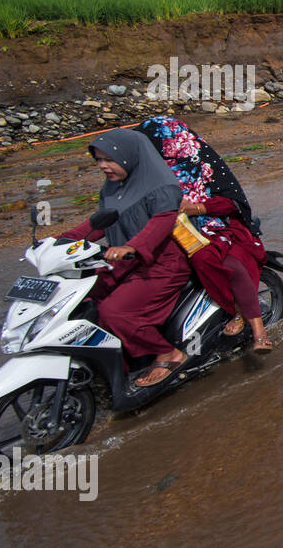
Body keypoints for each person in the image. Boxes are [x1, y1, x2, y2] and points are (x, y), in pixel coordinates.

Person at [58, 129, 191, 387]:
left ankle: (169, 353)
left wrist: (131, 246)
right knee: (81, 303)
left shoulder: (162, 186)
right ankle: (118, 363)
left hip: (160, 265)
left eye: (109, 159)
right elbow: (100, 223)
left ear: (129, 157)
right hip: (121, 264)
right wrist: (61, 241)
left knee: (115, 313)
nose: (103, 166)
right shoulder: (114, 187)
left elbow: (161, 223)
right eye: (98, 160)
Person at [137, 116, 271, 354]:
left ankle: (255, 327)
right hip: (168, 231)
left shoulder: (203, 163)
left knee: (219, 261)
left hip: (217, 225)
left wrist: (195, 208)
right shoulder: (143, 172)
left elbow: (232, 201)